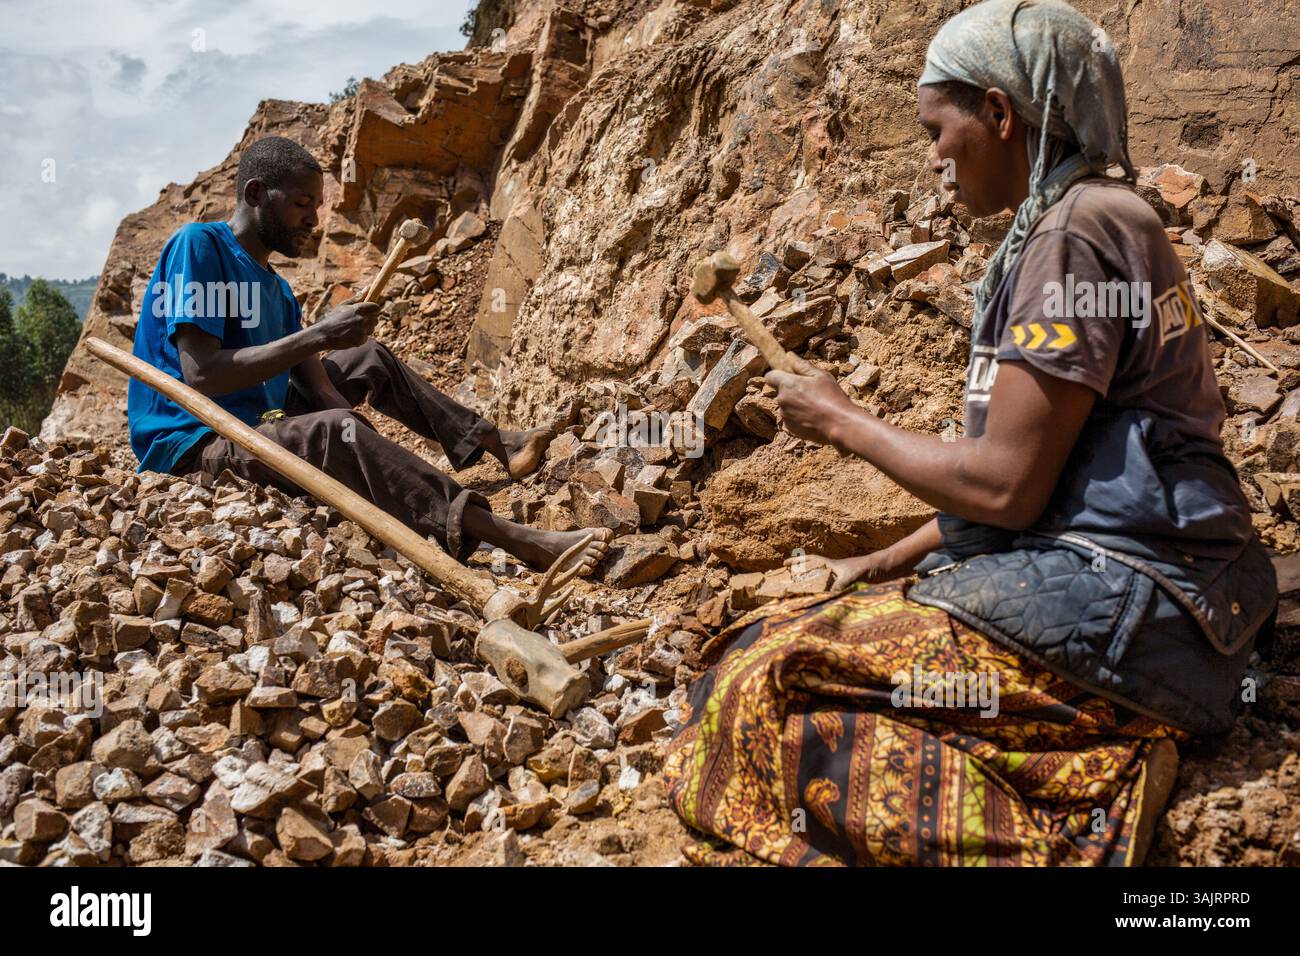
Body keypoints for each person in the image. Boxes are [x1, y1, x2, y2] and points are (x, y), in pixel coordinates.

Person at [662, 0, 1277, 866]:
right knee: (790, 641)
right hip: (1163, 594)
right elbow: (1040, 481)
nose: (932, 160)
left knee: (755, 687)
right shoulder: (1086, 219)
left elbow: (1003, 487)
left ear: (998, 113)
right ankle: (1079, 757)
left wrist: (842, 421)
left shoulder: (1076, 234)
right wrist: (876, 564)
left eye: (935, 130)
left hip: (1140, 609)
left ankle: (1061, 836)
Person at [127, 136, 610, 574]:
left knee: (367, 358)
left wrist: (352, 422)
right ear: (255, 195)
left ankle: (494, 442)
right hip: (197, 443)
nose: (312, 221)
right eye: (300, 204)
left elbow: (316, 385)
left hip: (259, 421)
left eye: (316, 206)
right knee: (335, 431)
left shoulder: (277, 290)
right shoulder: (200, 245)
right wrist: (322, 353)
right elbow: (201, 375)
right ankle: (512, 537)